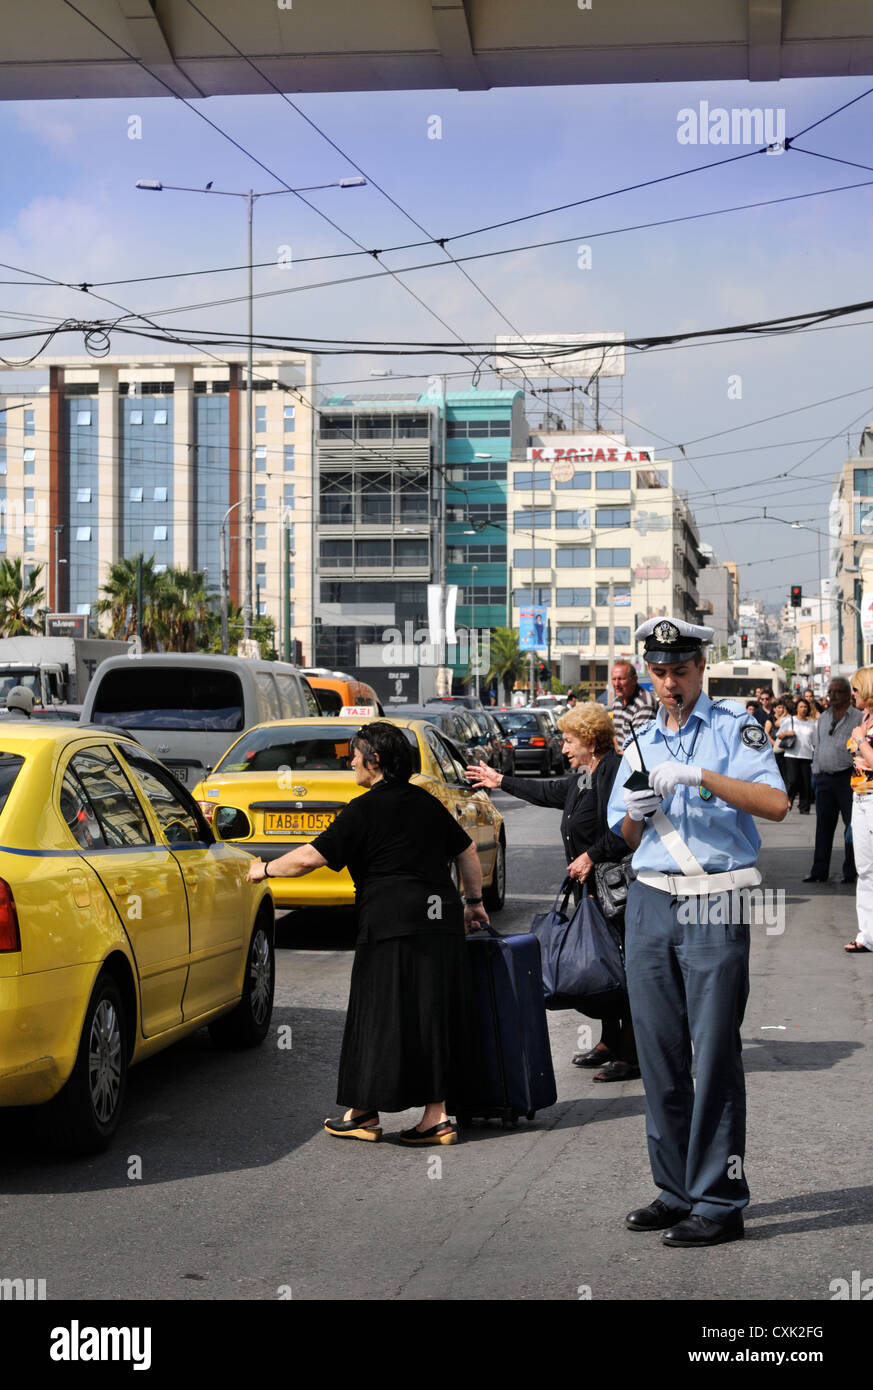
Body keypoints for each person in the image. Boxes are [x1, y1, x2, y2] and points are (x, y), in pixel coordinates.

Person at [607, 617, 788, 1248]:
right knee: (657, 1053)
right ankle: (675, 1189)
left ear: (700, 667)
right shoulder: (637, 740)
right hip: (653, 900)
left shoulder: (734, 727)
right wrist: (634, 816)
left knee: (712, 1055)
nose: (667, 684)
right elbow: (623, 838)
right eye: (658, 672)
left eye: (678, 671)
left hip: (715, 899)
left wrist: (700, 777)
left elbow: (776, 803)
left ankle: (719, 1198)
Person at [246, 721, 487, 1145]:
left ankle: (364, 1114)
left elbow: (308, 858)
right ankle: (437, 1116)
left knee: (376, 1016)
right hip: (439, 919)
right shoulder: (427, 803)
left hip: (389, 923)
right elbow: (466, 849)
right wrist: (473, 903)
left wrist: (262, 868)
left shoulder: (363, 809)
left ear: (374, 761)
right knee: (431, 1013)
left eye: (355, 754)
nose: (351, 760)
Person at [466, 701, 638, 1082]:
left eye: (569, 740)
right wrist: (502, 782)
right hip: (591, 888)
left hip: (615, 890)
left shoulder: (612, 771)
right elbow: (552, 791)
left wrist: (591, 855)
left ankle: (632, 1050)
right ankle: (610, 1039)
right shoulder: (585, 775)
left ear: (591, 741)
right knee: (599, 962)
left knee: (619, 967)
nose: (562, 747)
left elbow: (630, 826)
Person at [804, 676, 863, 884]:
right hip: (825, 779)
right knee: (823, 827)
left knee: (851, 827)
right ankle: (819, 871)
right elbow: (818, 745)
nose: (833, 696)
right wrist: (816, 769)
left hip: (847, 778)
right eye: (831, 692)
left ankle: (851, 871)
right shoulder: (824, 717)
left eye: (838, 692)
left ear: (848, 694)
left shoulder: (857, 717)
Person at [846, 667, 873, 953]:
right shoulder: (864, 718)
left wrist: (861, 739)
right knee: (864, 870)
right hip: (860, 798)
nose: (853, 694)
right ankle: (867, 935)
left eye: (855, 689)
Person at [775, 697, 815, 813]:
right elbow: (779, 735)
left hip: (806, 755)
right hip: (791, 755)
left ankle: (804, 807)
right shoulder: (790, 720)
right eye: (801, 706)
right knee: (793, 780)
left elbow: (815, 741)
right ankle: (788, 800)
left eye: (805, 707)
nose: (803, 709)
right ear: (796, 708)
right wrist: (788, 733)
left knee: (805, 783)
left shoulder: (811, 724)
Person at [609, 660, 657, 750]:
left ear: (634, 679)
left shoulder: (645, 704)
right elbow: (615, 736)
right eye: (614, 679)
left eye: (621, 679)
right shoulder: (617, 702)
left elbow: (636, 745)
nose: (616, 684)